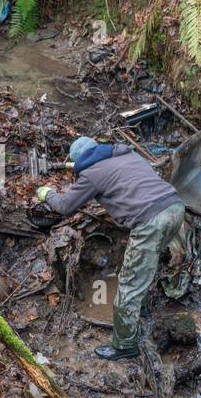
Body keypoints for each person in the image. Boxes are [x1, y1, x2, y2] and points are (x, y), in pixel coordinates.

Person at [35, 136, 185, 360]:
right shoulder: (126, 154)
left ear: (78, 161)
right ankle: (140, 310)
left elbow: (65, 206)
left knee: (128, 284)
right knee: (146, 264)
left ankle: (125, 346)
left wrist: (47, 194)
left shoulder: (92, 173)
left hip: (151, 220)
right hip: (175, 208)